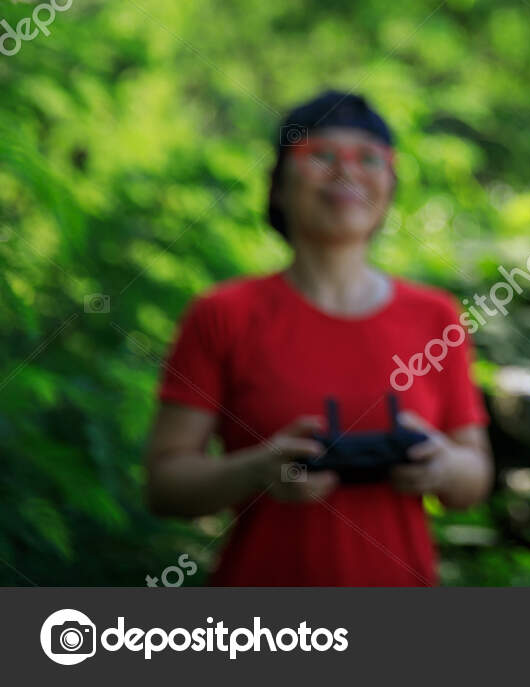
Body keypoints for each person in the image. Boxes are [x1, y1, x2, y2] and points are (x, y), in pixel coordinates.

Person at [144, 90, 493, 586]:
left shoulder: (437, 317)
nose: (346, 172)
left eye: (369, 158)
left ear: (391, 186)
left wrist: (441, 465)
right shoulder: (221, 314)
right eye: (321, 156)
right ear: (279, 187)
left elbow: (474, 478)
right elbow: (164, 485)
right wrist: (258, 471)